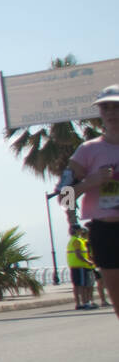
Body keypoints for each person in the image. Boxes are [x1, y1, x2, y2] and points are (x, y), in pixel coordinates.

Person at [62, 84, 119, 323]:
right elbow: (64, 197)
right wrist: (89, 182)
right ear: (100, 113)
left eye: (116, 106)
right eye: (106, 107)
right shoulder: (87, 151)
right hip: (106, 232)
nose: (111, 112)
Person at [66, 224, 95, 310]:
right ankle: (85, 302)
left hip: (75, 265)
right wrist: (88, 262)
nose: (81, 231)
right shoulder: (77, 241)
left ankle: (79, 303)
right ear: (76, 231)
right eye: (80, 230)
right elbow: (79, 255)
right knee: (82, 286)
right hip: (80, 266)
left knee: (77, 285)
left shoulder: (74, 240)